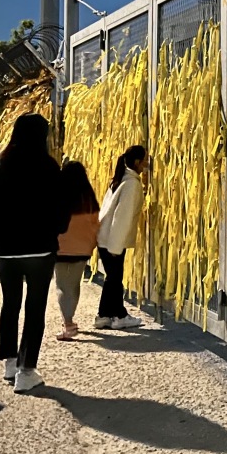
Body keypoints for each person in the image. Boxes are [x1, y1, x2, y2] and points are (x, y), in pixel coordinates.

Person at [0, 113, 70, 393]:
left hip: (7, 251)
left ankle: (9, 361)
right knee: (35, 308)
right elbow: (60, 207)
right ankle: (26, 371)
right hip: (40, 250)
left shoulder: (0, 163)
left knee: (10, 305)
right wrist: (54, 230)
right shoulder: (49, 166)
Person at [95, 145, 147, 330]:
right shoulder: (131, 184)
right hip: (112, 239)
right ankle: (119, 316)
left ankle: (104, 316)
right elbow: (121, 217)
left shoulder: (120, 179)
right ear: (136, 162)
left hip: (105, 237)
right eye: (144, 161)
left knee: (112, 278)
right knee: (115, 278)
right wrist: (116, 248)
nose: (146, 165)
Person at [54, 161, 100, 341]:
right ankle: (70, 320)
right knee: (73, 285)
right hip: (82, 249)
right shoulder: (88, 198)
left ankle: (68, 323)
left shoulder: (57, 196)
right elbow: (96, 223)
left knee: (61, 286)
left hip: (59, 247)